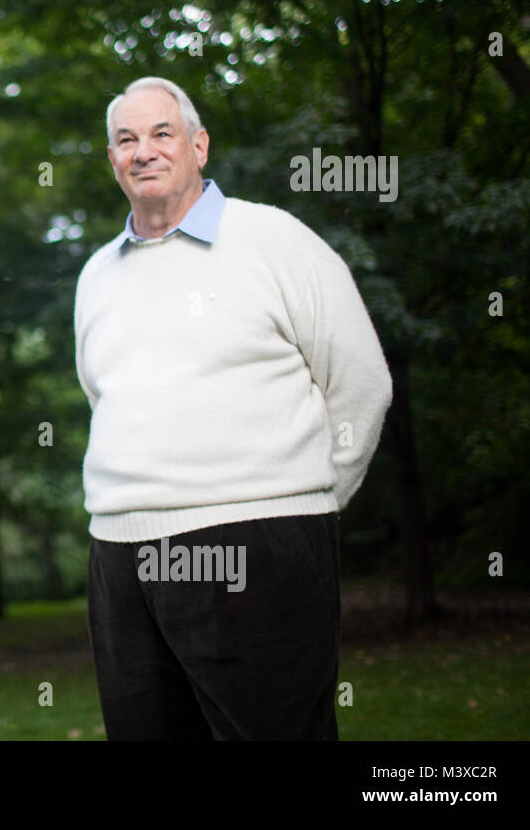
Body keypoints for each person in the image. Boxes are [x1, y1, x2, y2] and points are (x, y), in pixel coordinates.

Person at [75, 76, 392, 739]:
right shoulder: (97, 274)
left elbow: (361, 382)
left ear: (199, 146)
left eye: (162, 133)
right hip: (119, 555)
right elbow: (105, 396)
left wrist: (307, 500)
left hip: (260, 543)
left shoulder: (274, 239)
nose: (144, 151)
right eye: (126, 139)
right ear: (112, 161)